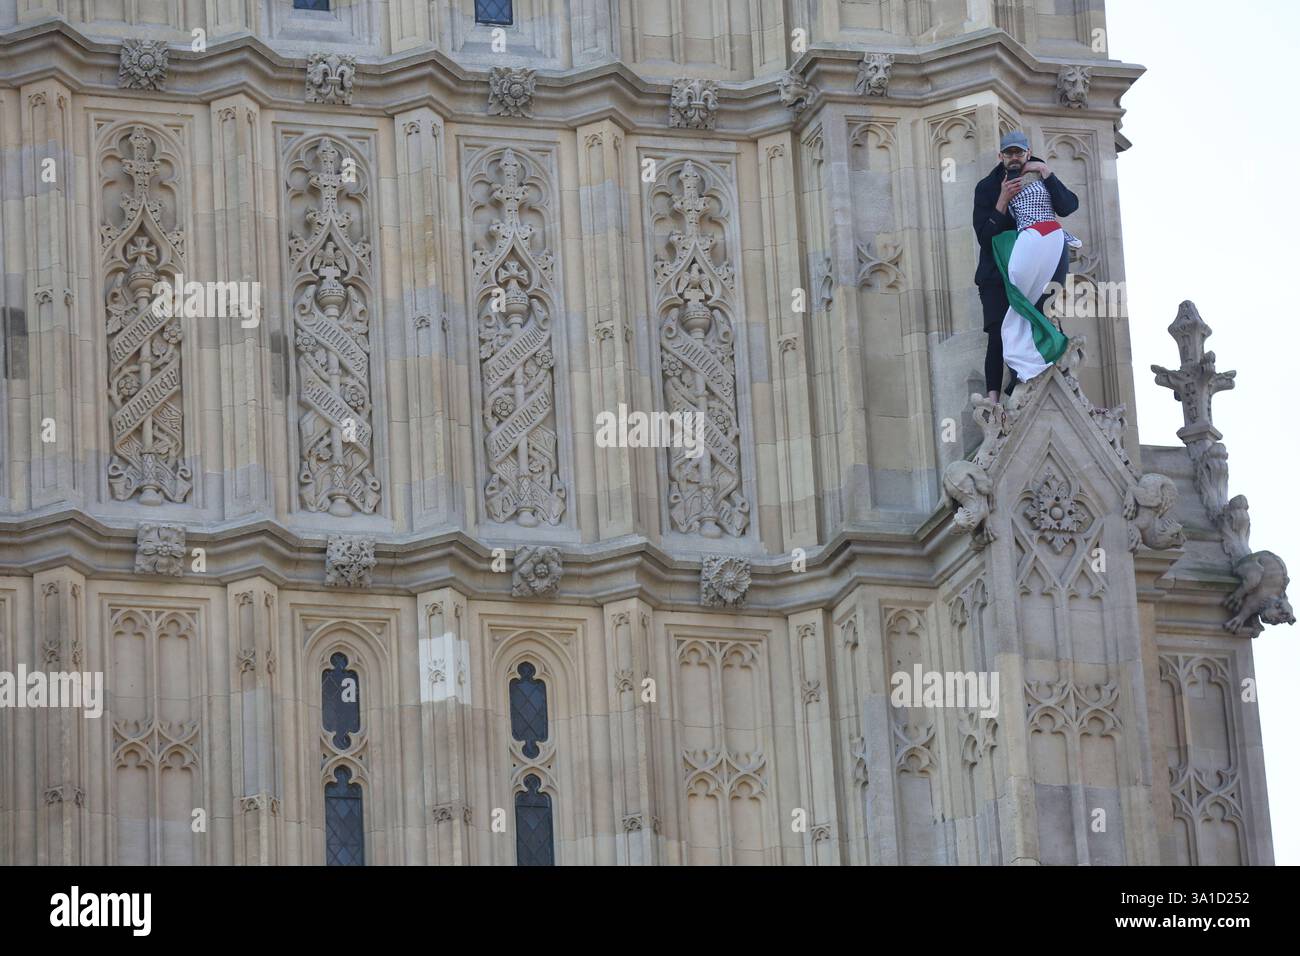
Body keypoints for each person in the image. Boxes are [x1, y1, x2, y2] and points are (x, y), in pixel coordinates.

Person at [972, 131, 1080, 403]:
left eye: (1019, 153)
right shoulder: (987, 186)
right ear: (1001, 156)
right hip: (997, 275)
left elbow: (1068, 206)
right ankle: (994, 404)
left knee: (1040, 317)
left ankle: (1037, 388)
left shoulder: (1039, 174)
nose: (1014, 158)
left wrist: (1046, 172)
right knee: (999, 332)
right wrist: (1003, 200)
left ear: (1027, 154)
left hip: (1039, 265)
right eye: (1009, 153)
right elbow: (985, 237)